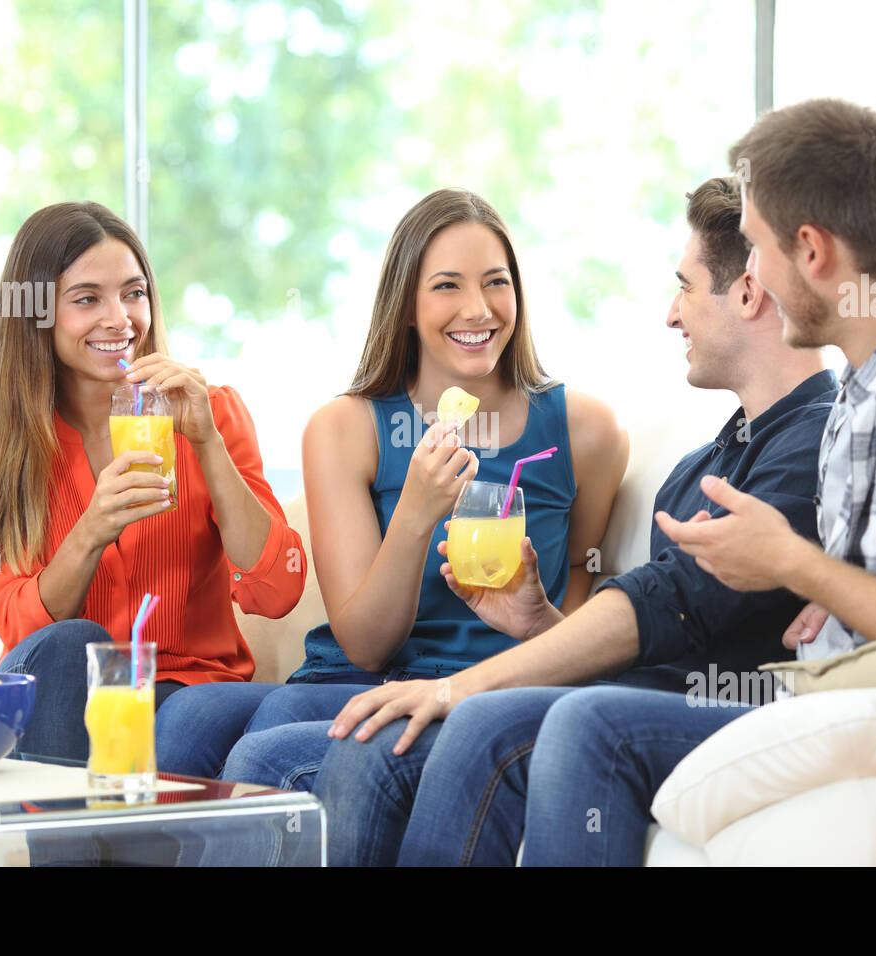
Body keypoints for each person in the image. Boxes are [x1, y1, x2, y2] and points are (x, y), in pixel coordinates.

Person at [432, 97, 876, 866]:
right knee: (505, 721)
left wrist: (797, 565)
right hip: (825, 698)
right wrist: (839, 586)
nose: (755, 280)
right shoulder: (871, 379)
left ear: (810, 251)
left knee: (587, 729)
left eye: (756, 247)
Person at [224, 175, 839, 866]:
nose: (671, 314)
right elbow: (645, 621)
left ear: (750, 294)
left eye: (686, 287)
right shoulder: (708, 459)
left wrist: (458, 684)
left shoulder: (816, 441)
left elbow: (672, 603)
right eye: (447, 286)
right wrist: (537, 620)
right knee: (264, 741)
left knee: (410, 739)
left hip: (698, 708)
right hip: (613, 691)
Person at [157, 188, 628, 780]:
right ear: (406, 306)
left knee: (266, 749)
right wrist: (415, 511)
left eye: (496, 282)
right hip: (360, 675)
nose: (479, 308)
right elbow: (365, 647)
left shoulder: (587, 433)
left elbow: (576, 609)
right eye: (447, 285)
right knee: (188, 718)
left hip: (489, 690)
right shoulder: (346, 428)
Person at [0, 201, 305, 763]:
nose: (121, 319)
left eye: (134, 293)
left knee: (185, 721)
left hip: (186, 690)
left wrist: (208, 443)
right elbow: (19, 627)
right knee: (67, 646)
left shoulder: (209, 414)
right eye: (87, 298)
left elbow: (277, 589)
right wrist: (90, 533)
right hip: (60, 694)